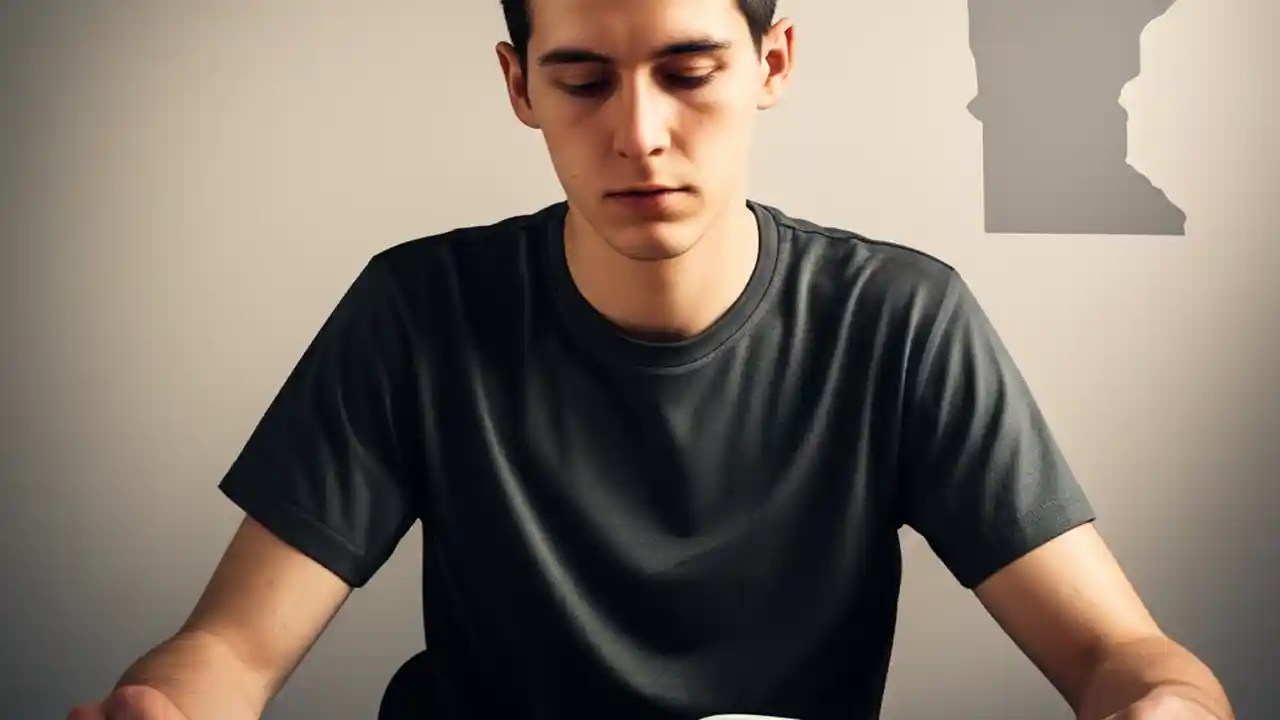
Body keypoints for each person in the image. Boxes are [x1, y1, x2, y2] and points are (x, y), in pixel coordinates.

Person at [68, 1, 1234, 718]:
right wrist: (168, 704)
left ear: (771, 63)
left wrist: (1164, 704)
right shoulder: (418, 309)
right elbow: (232, 646)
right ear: (518, 83)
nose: (637, 133)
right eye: (581, 80)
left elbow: (1113, 653)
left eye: (688, 71)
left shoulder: (896, 319)